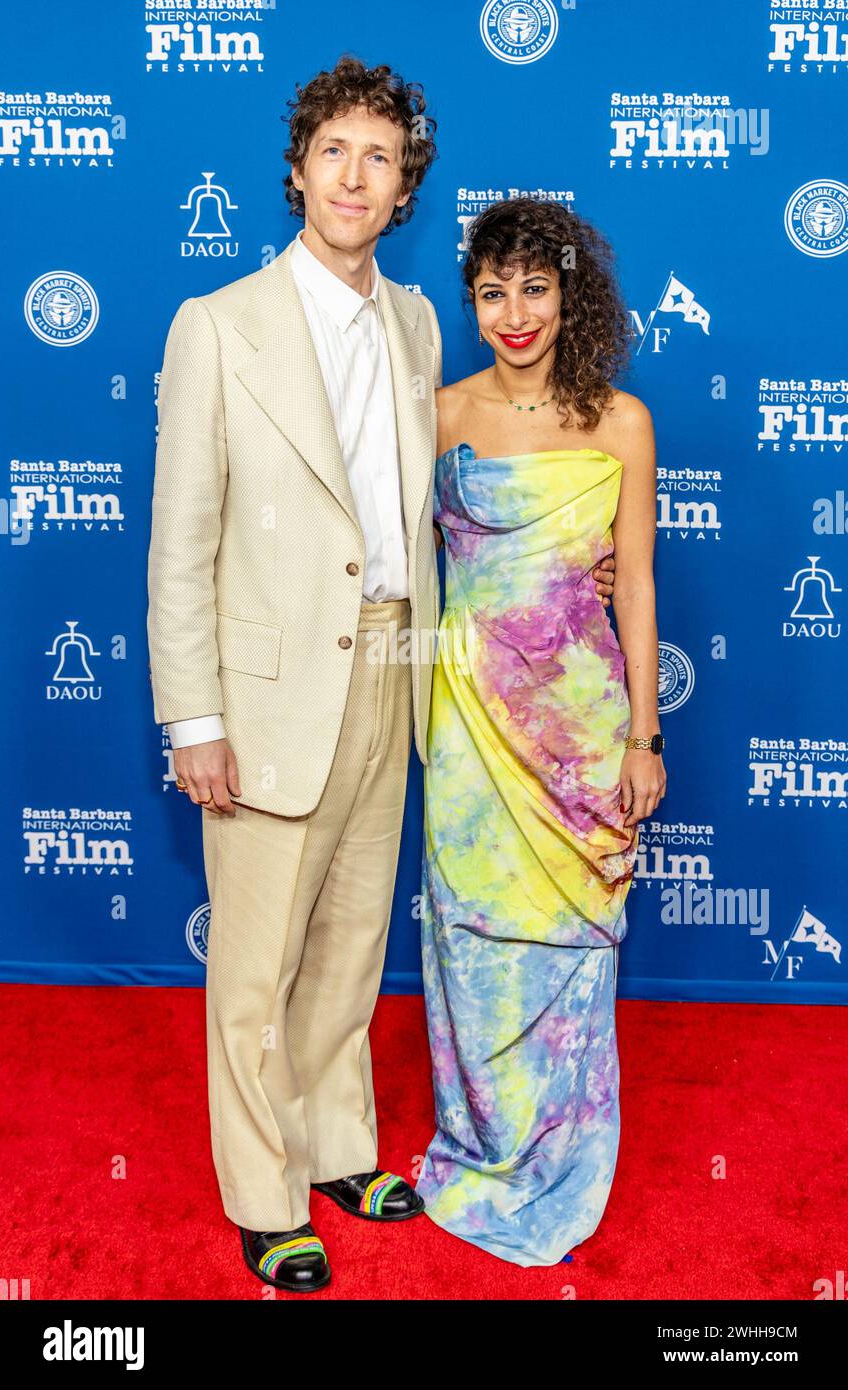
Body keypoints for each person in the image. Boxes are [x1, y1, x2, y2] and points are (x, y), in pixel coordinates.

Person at [147, 56, 616, 1293]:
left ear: (404, 186)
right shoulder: (217, 325)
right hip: (264, 694)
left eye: (381, 158)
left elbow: (459, 498)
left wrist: (575, 570)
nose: (356, 178)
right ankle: (263, 1192)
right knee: (257, 962)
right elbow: (180, 539)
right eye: (334, 153)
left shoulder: (415, 322)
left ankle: (339, 1141)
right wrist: (194, 717)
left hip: (400, 669)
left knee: (355, 941)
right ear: (298, 169)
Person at [415, 197, 666, 1267]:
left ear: (571, 294)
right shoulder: (436, 415)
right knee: (470, 940)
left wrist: (645, 739)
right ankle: (479, 1143)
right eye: (491, 292)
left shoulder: (623, 420)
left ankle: (561, 1155)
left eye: (534, 287)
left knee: (569, 949)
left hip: (582, 727)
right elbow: (382, 557)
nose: (514, 313)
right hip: (469, 727)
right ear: (471, 304)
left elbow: (639, 587)